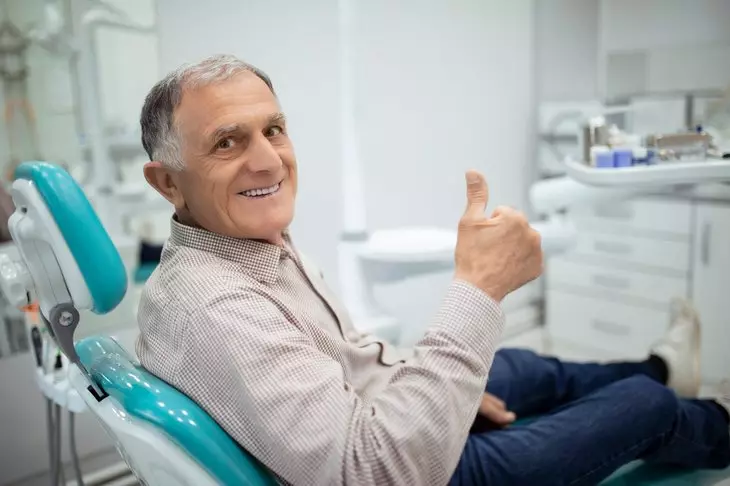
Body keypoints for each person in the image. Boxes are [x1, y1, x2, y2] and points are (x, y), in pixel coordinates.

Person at [136, 54, 730, 486]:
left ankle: (663, 368)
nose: (269, 160)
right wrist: (478, 287)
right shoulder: (217, 306)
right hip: (406, 471)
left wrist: (438, 394)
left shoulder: (245, 247)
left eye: (273, 130)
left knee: (521, 368)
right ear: (167, 181)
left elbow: (349, 368)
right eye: (227, 143)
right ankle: (709, 418)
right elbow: (375, 471)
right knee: (637, 408)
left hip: (375, 424)